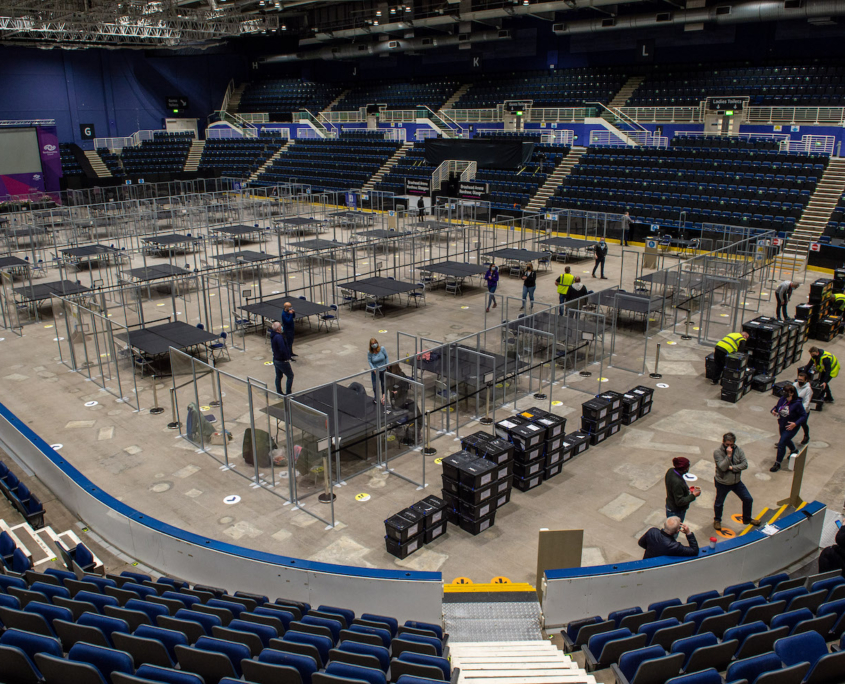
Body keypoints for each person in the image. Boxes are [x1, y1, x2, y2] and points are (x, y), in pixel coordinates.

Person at [713, 432, 761, 530]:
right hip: (723, 483)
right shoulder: (717, 452)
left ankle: (747, 519)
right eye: (727, 445)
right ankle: (717, 520)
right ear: (723, 442)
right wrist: (729, 456)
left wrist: (731, 468)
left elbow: (745, 464)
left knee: (748, 499)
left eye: (732, 445)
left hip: (736, 482)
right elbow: (722, 467)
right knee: (719, 503)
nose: (730, 447)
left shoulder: (739, 450)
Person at [770, 384, 807, 472]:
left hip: (791, 427)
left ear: (792, 393)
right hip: (782, 424)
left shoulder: (797, 404)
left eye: (787, 392)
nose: (784, 393)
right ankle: (794, 450)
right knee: (785, 440)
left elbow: (803, 415)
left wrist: (795, 423)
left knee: (782, 443)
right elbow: (777, 407)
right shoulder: (782, 399)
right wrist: (773, 410)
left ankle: (777, 463)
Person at [665, 457, 701, 522]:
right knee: (674, 530)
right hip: (676, 512)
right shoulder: (677, 482)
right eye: (688, 467)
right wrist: (693, 495)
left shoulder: (671, 471)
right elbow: (680, 501)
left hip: (670, 504)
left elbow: (674, 488)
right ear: (684, 469)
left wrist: (685, 489)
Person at [270, 321, 294, 396]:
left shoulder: (273, 336)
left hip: (276, 359)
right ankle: (288, 393)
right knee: (290, 376)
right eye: (280, 326)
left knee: (278, 376)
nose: (282, 327)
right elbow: (282, 349)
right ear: (278, 329)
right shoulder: (279, 337)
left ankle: (279, 391)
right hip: (282, 360)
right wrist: (287, 357)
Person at [368, 338, 389, 404]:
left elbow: (386, 357)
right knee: (375, 386)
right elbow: (369, 361)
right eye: (372, 344)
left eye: (375, 343)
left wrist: (387, 364)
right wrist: (373, 368)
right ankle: (376, 398)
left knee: (384, 384)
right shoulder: (370, 353)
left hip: (383, 370)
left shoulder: (382, 349)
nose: (374, 345)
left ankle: (384, 398)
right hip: (375, 371)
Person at [794, 370, 812, 446]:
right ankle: (784, 439)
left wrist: (802, 412)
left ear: (806, 380)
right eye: (798, 379)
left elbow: (806, 402)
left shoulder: (808, 389)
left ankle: (806, 436)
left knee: (803, 423)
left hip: (803, 411)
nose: (799, 381)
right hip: (794, 409)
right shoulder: (795, 385)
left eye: (801, 380)